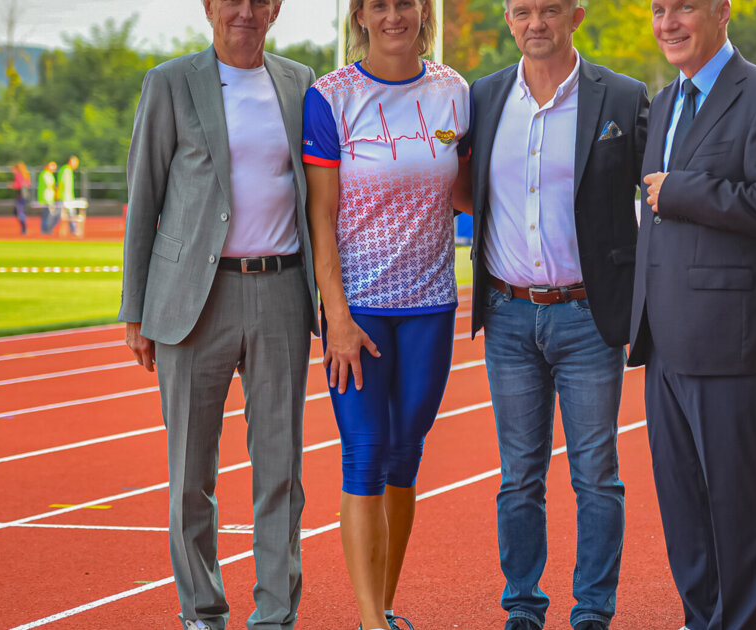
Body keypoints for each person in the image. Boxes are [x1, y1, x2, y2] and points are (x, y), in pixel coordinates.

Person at [118, 1, 316, 628]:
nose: (245, 11)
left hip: (282, 291)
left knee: (281, 466)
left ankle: (275, 613)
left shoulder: (301, 82)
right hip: (191, 299)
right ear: (209, 6)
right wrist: (135, 307)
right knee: (190, 471)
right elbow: (144, 196)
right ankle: (202, 610)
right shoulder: (170, 82)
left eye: (260, 0)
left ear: (275, 9)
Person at [452, 0, 648, 628]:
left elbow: (657, 189)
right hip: (508, 314)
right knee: (519, 476)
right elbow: (461, 184)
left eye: (550, 10)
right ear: (509, 19)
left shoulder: (622, 97)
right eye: (522, 11)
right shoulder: (482, 97)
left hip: (589, 316)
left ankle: (592, 610)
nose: (535, 22)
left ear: (576, 15)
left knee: (596, 475)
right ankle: (523, 606)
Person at [627, 0, 756, 628]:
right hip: (663, 339)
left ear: (722, 11)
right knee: (682, 507)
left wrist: (683, 190)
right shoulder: (664, 102)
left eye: (684, 7)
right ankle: (699, 618)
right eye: (659, 9)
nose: (668, 23)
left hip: (732, 342)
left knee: (738, 505)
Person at [300, 1, 468, 628]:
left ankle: (387, 606)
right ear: (361, 16)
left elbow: (468, 187)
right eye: (379, 5)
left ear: (423, 12)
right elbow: (320, 218)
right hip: (359, 312)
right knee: (365, 454)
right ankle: (370, 621)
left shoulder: (454, 91)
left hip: (431, 307)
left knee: (405, 454)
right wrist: (336, 317)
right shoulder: (331, 97)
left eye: (405, 3)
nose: (393, 15)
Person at [57, 155, 80, 235]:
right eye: (75, 162)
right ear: (70, 162)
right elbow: (62, 184)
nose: (76, 164)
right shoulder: (66, 170)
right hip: (65, 197)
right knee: (68, 214)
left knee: (69, 214)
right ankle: (47, 229)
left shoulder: (67, 170)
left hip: (67, 196)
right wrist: (59, 195)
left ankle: (73, 230)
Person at [8, 161, 30, 235]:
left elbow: (19, 185)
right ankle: (24, 228)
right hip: (25, 195)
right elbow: (27, 184)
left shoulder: (18, 174)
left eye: (13, 169)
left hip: (20, 195)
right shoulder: (25, 174)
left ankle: (24, 229)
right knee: (20, 212)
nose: (12, 170)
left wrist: (12, 185)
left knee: (19, 212)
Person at [36, 161, 57, 234]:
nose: (54, 168)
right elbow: (49, 185)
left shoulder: (49, 174)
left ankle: (45, 230)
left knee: (47, 214)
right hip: (46, 198)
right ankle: (46, 230)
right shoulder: (45, 174)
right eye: (52, 166)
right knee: (48, 215)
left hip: (49, 198)